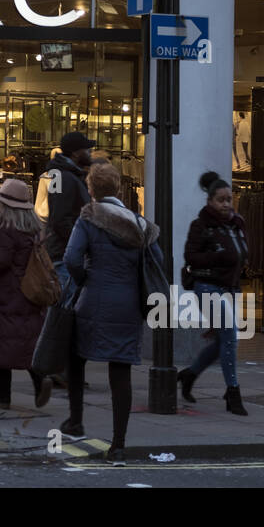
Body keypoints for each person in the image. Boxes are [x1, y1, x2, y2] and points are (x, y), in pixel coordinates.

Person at [62, 162, 155, 465]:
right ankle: (118, 445)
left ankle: (76, 420)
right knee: (121, 371)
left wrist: (83, 279)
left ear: (91, 189)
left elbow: (72, 257)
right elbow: (158, 260)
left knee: (76, 357)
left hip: (93, 299)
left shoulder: (89, 217)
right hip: (128, 303)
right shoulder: (138, 223)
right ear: (117, 188)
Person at [0, 179, 53, 409]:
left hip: (7, 294)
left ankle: (3, 395)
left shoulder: (8, 230)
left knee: (0, 344)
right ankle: (39, 381)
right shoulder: (33, 227)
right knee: (24, 342)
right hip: (29, 292)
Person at [178, 171, 251, 416]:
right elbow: (191, 257)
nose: (226, 204)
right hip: (207, 286)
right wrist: (219, 256)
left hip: (229, 288)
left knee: (222, 340)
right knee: (229, 333)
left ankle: (189, 375)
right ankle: (233, 392)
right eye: (221, 199)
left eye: (229, 198)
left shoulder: (236, 223)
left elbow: (242, 252)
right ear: (210, 201)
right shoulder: (201, 225)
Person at [42, 132, 94, 304]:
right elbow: (59, 218)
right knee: (63, 311)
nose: (90, 153)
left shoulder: (64, 174)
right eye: (87, 149)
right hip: (63, 255)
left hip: (62, 253)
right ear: (76, 153)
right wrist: (78, 242)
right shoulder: (64, 176)